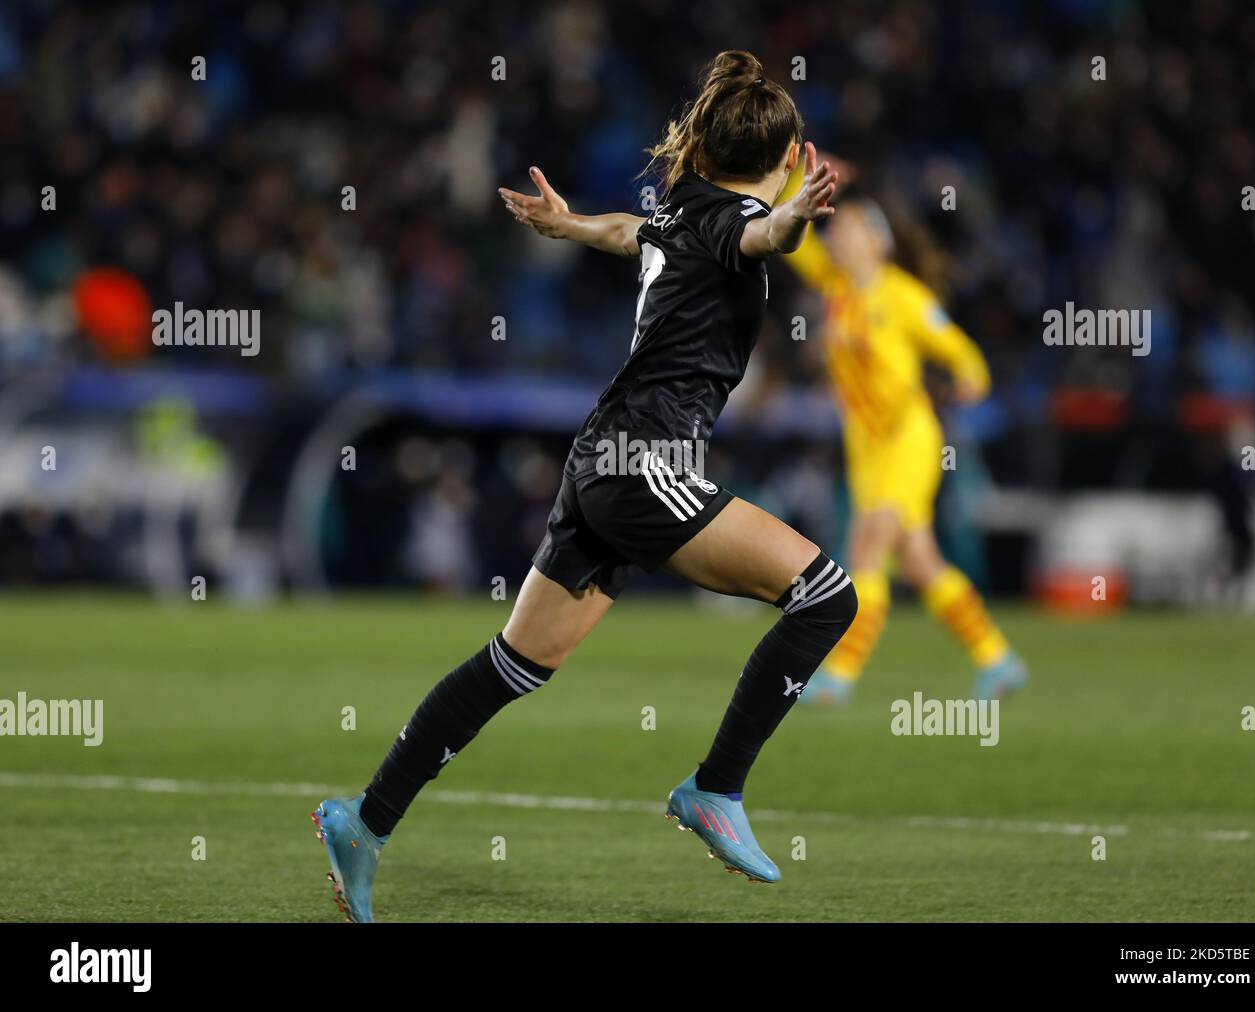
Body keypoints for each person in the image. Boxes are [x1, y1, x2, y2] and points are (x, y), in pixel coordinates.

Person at [311, 50, 855, 921]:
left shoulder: (684, 206)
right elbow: (763, 237)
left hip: (601, 456)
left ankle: (364, 822)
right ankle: (717, 788)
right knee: (826, 596)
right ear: (784, 158)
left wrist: (566, 226)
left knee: (515, 664)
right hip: (646, 461)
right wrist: (791, 216)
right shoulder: (737, 222)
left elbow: (628, 234)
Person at [776, 163, 1027, 705]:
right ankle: (997, 659)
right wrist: (804, 173)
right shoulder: (837, 288)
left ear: (876, 242)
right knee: (921, 562)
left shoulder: (902, 295)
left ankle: (840, 675)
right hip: (867, 449)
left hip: (907, 439)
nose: (837, 239)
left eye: (848, 232)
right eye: (836, 233)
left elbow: (961, 350)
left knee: (864, 549)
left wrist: (971, 379)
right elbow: (791, 235)